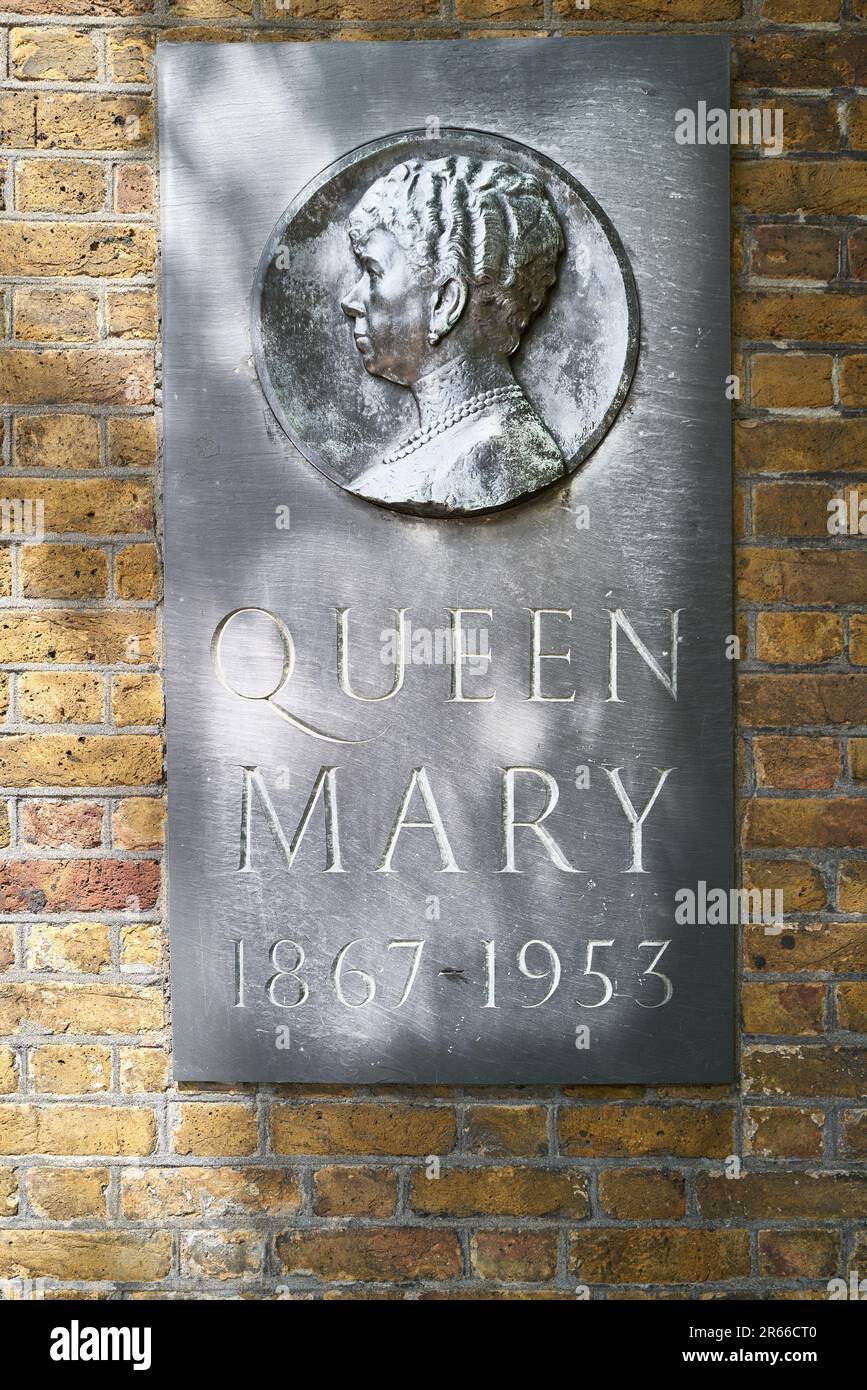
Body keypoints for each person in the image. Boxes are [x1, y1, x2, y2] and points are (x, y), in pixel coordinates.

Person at [341, 154, 566, 515]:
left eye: (373, 271)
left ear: (445, 303)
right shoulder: (460, 442)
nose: (349, 300)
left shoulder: (493, 457)